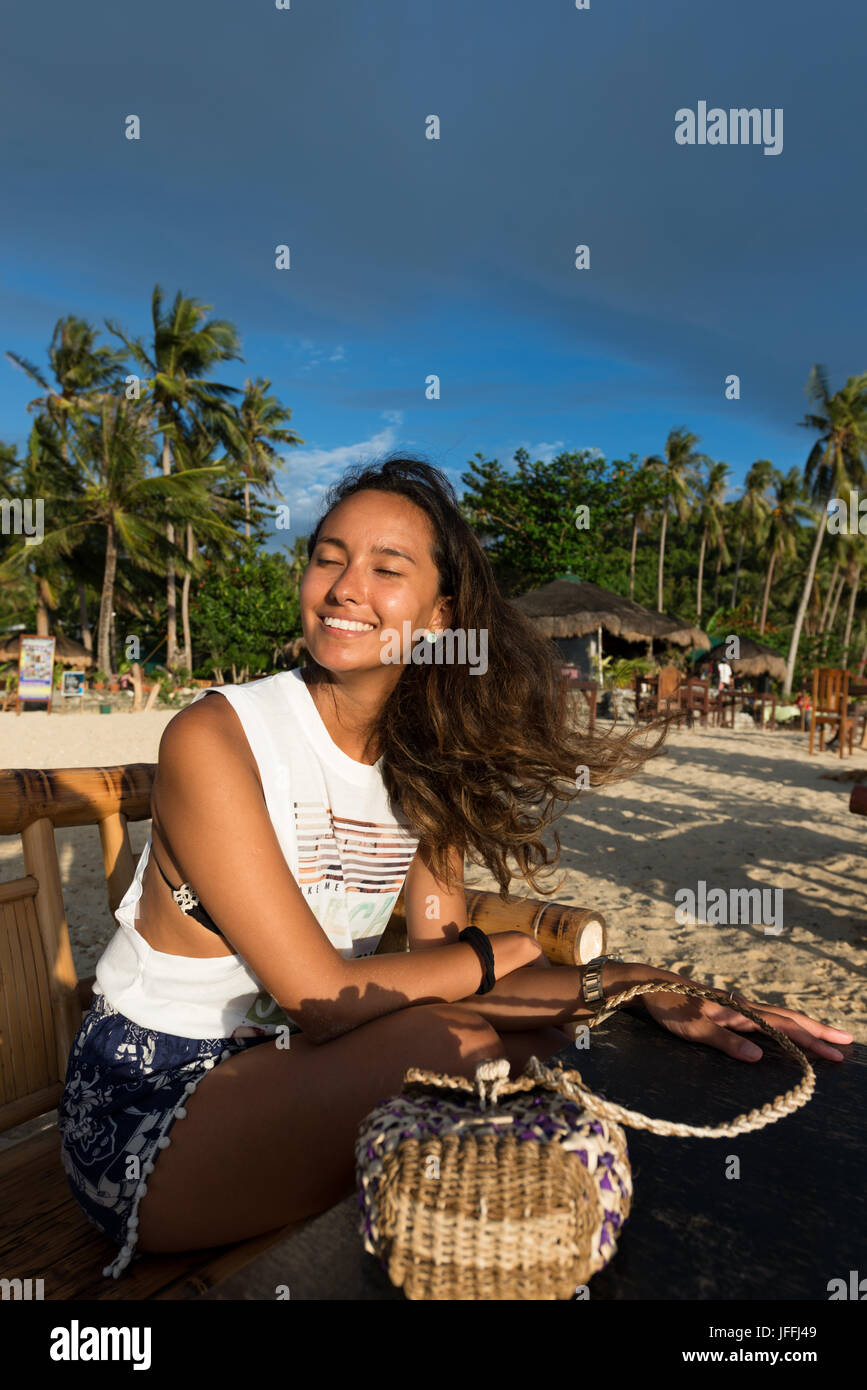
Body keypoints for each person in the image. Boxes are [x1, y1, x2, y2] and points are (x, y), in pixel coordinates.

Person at [58, 456, 853, 1279]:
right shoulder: (217, 738)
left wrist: (647, 982)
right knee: (474, 1049)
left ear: (440, 617)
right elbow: (321, 1001)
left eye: (385, 568)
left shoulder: (422, 767)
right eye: (328, 556)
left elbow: (452, 982)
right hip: (152, 1112)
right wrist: (484, 955)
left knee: (530, 1034)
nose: (343, 587)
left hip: (292, 1073)